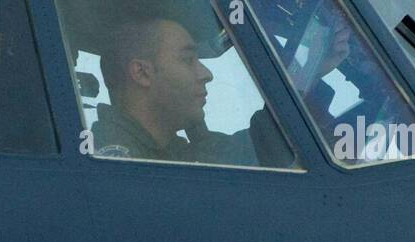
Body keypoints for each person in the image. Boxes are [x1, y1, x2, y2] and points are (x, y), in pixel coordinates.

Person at [91, 15, 290, 167]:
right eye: (187, 60)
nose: (207, 74)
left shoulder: (169, 152)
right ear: (142, 73)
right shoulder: (117, 165)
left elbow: (257, 147)